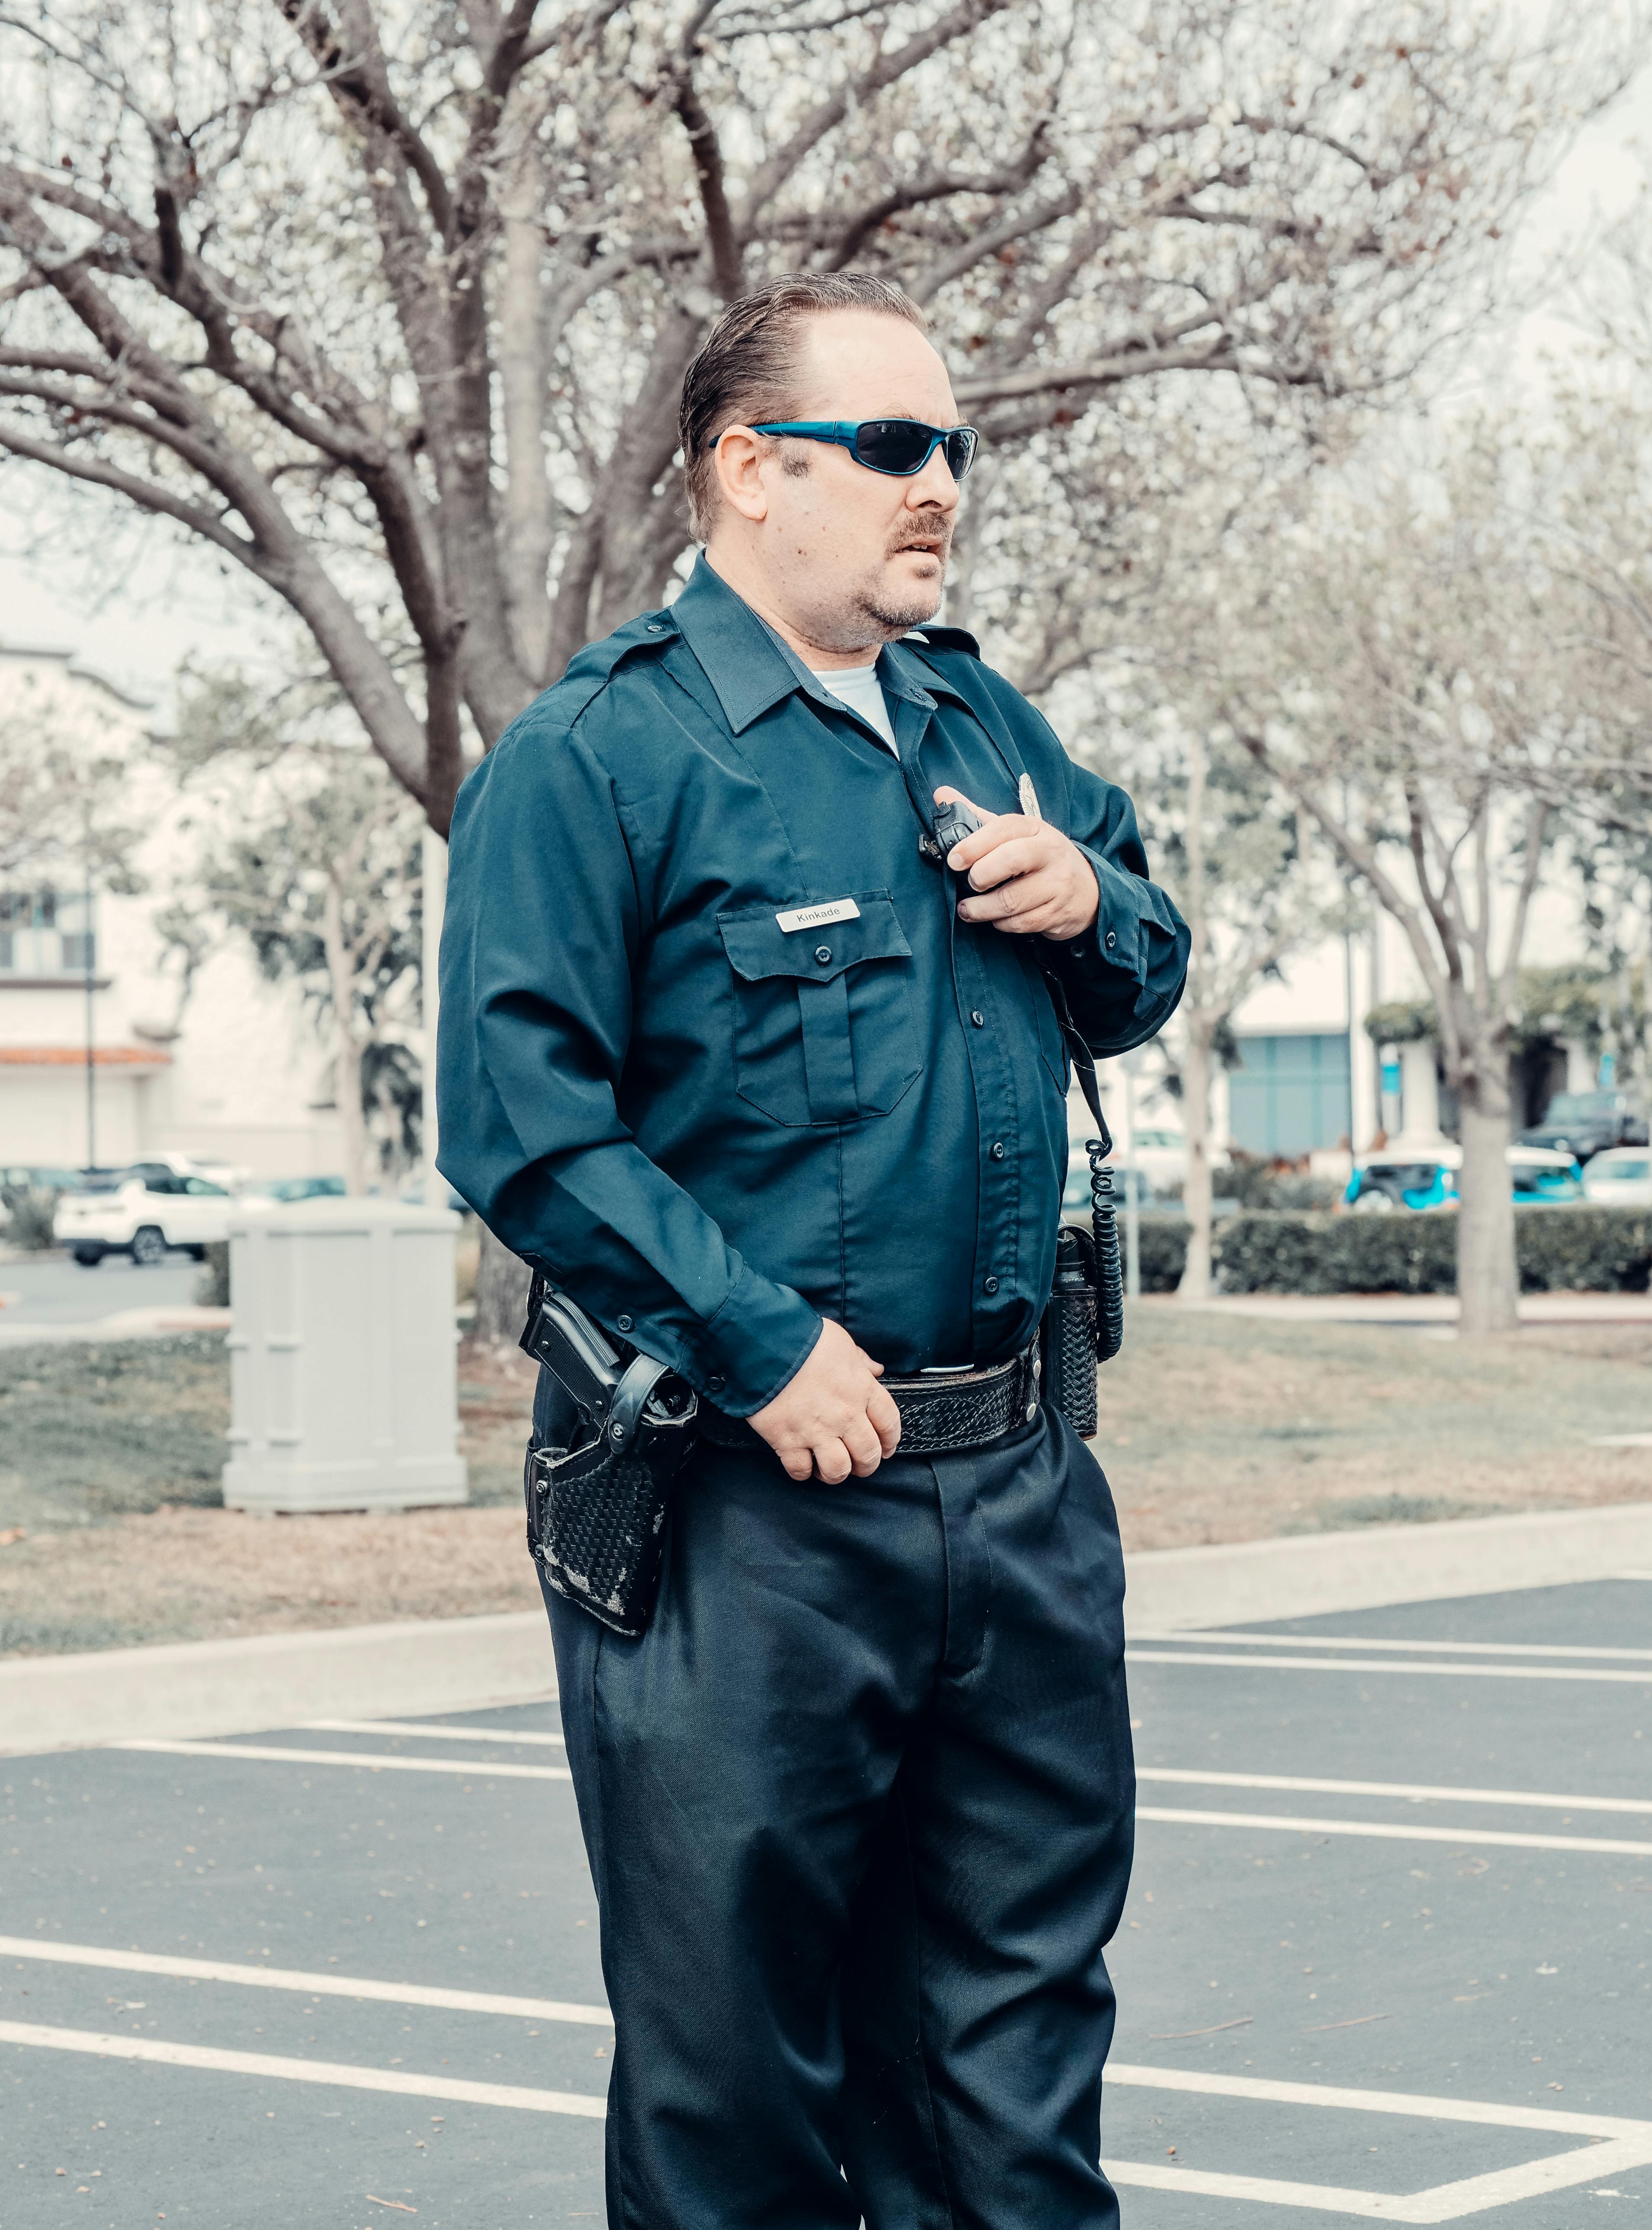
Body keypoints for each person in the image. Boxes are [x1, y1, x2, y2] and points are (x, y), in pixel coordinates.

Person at [438, 271, 1189, 2230]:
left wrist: (1088, 892)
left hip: (1017, 1485)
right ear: (748, 472)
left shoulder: (978, 719)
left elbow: (1148, 964)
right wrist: (761, 1343)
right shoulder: (599, 755)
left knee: (1014, 2057)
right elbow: (521, 1121)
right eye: (888, 446)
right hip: (744, 1505)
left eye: (953, 447)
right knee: (738, 2081)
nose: (935, 483)